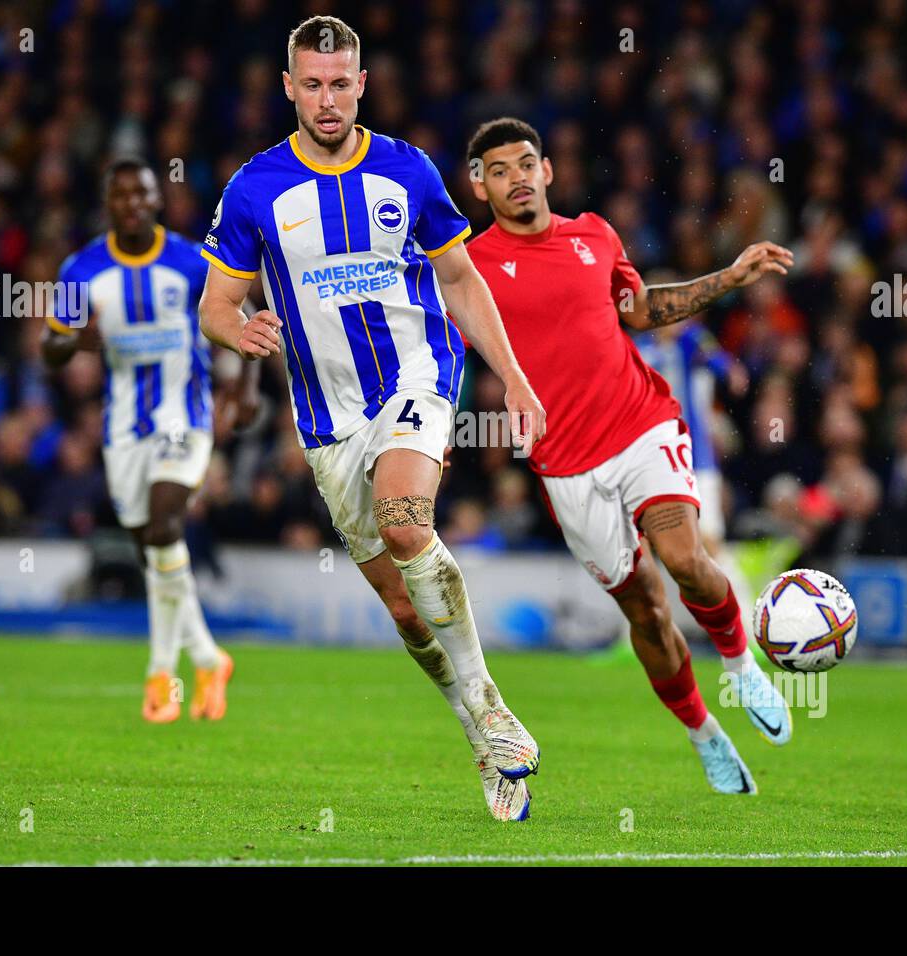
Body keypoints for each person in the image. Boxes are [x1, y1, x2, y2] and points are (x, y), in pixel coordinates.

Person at [197, 17, 547, 822]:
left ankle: (493, 705)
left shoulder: (408, 170)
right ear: (289, 87)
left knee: (403, 519)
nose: (327, 98)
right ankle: (478, 736)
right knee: (400, 608)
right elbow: (217, 303)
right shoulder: (255, 189)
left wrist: (516, 381)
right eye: (311, 83)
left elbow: (460, 281)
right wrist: (237, 328)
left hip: (418, 375)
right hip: (328, 422)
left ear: (363, 84)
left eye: (340, 82)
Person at [466, 117, 794, 795]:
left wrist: (729, 277)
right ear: (479, 186)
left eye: (527, 163)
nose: (517, 177)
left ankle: (739, 664)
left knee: (685, 560)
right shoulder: (469, 267)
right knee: (644, 610)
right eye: (499, 170)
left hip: (641, 424)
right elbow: (442, 350)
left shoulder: (594, 234)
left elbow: (640, 310)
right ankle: (704, 733)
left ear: (548, 170)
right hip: (565, 466)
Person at [42, 158, 245, 724]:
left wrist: (245, 390)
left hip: (186, 414)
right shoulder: (82, 271)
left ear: (158, 200)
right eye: (121, 196)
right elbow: (50, 348)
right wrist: (71, 339)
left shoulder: (190, 261)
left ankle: (161, 672)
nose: (132, 204)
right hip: (123, 427)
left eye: (142, 194)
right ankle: (207, 657)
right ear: (109, 204)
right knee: (152, 551)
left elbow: (243, 313)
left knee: (163, 526)